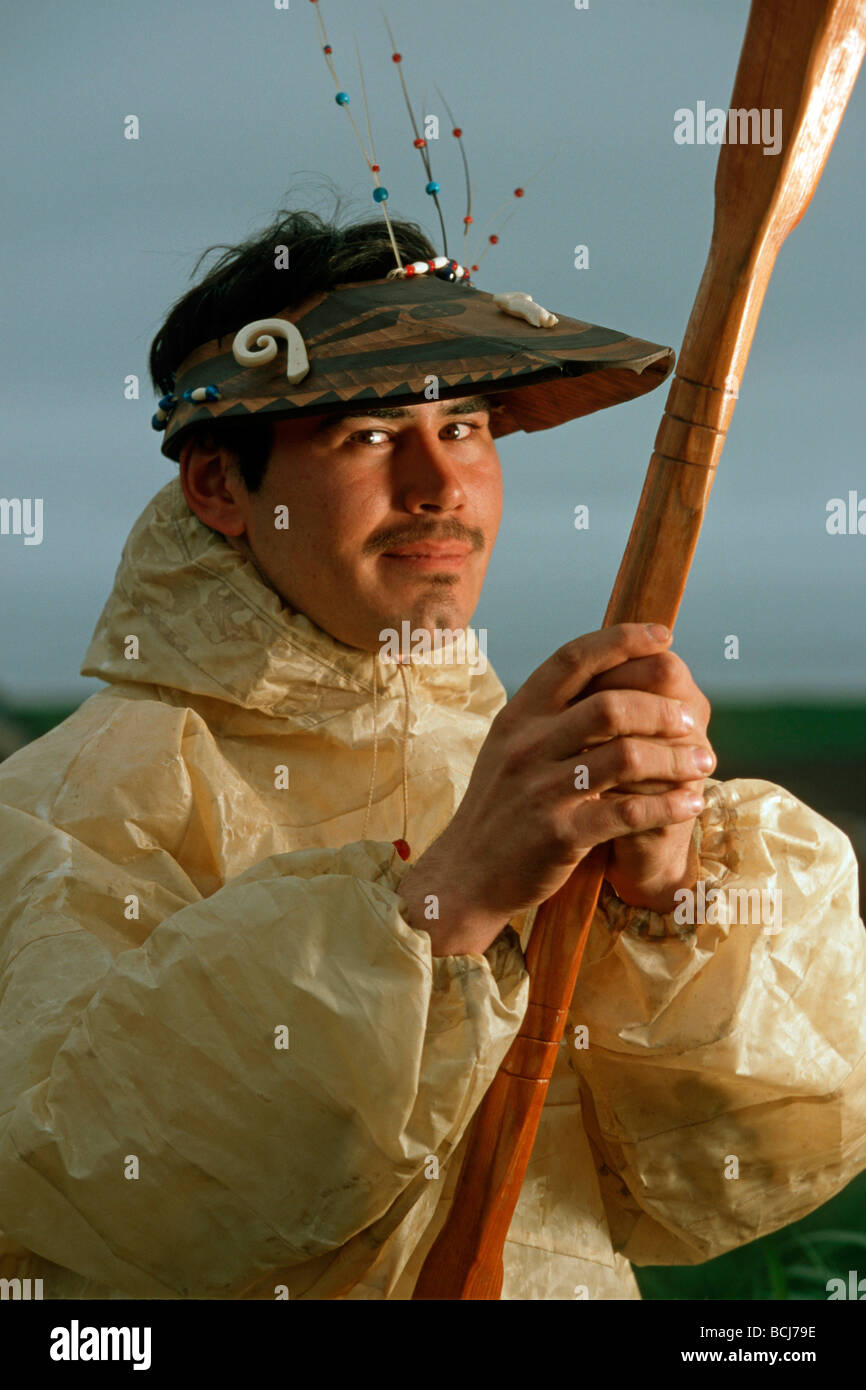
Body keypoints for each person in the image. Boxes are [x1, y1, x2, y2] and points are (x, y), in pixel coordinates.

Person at [0, 209, 863, 1302]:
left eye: (463, 425)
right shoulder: (64, 808)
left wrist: (667, 904)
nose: (439, 485)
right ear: (220, 489)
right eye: (366, 435)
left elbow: (713, 1185)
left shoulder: (531, 770)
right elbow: (102, 1193)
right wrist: (443, 904)